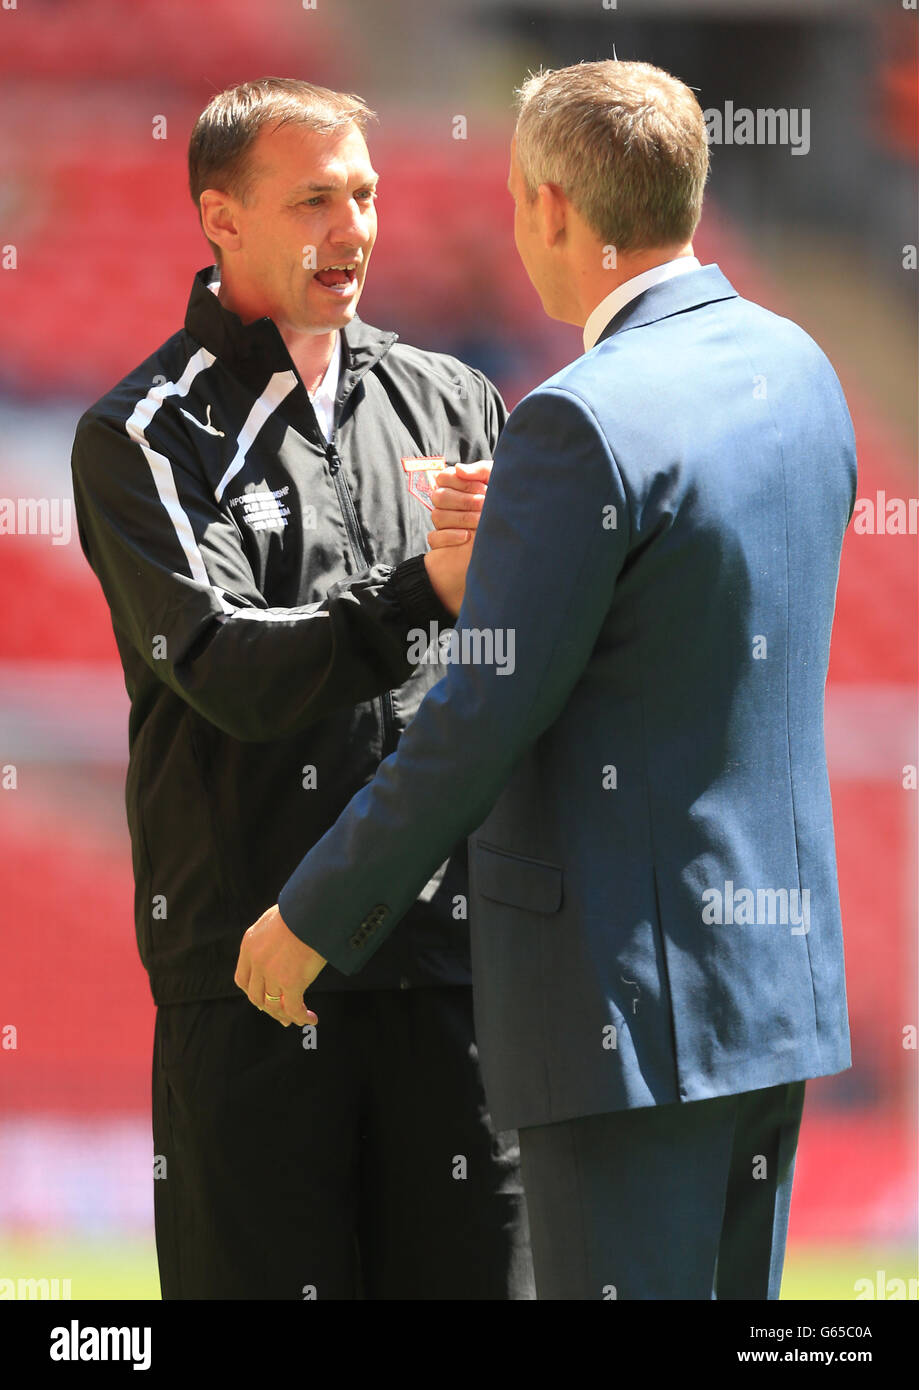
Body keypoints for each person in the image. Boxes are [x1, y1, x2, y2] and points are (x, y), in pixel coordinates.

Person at [236, 60, 857, 1300]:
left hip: (625, 1019)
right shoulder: (798, 365)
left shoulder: (576, 421)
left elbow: (479, 719)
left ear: (557, 207)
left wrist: (312, 916)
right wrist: (530, 537)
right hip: (771, 997)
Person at [70, 76, 534, 1300]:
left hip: (446, 973)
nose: (354, 229)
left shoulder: (455, 400)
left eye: (367, 195)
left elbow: (515, 668)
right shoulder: (142, 436)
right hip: (254, 979)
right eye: (316, 198)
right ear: (220, 219)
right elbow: (225, 667)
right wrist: (418, 593)